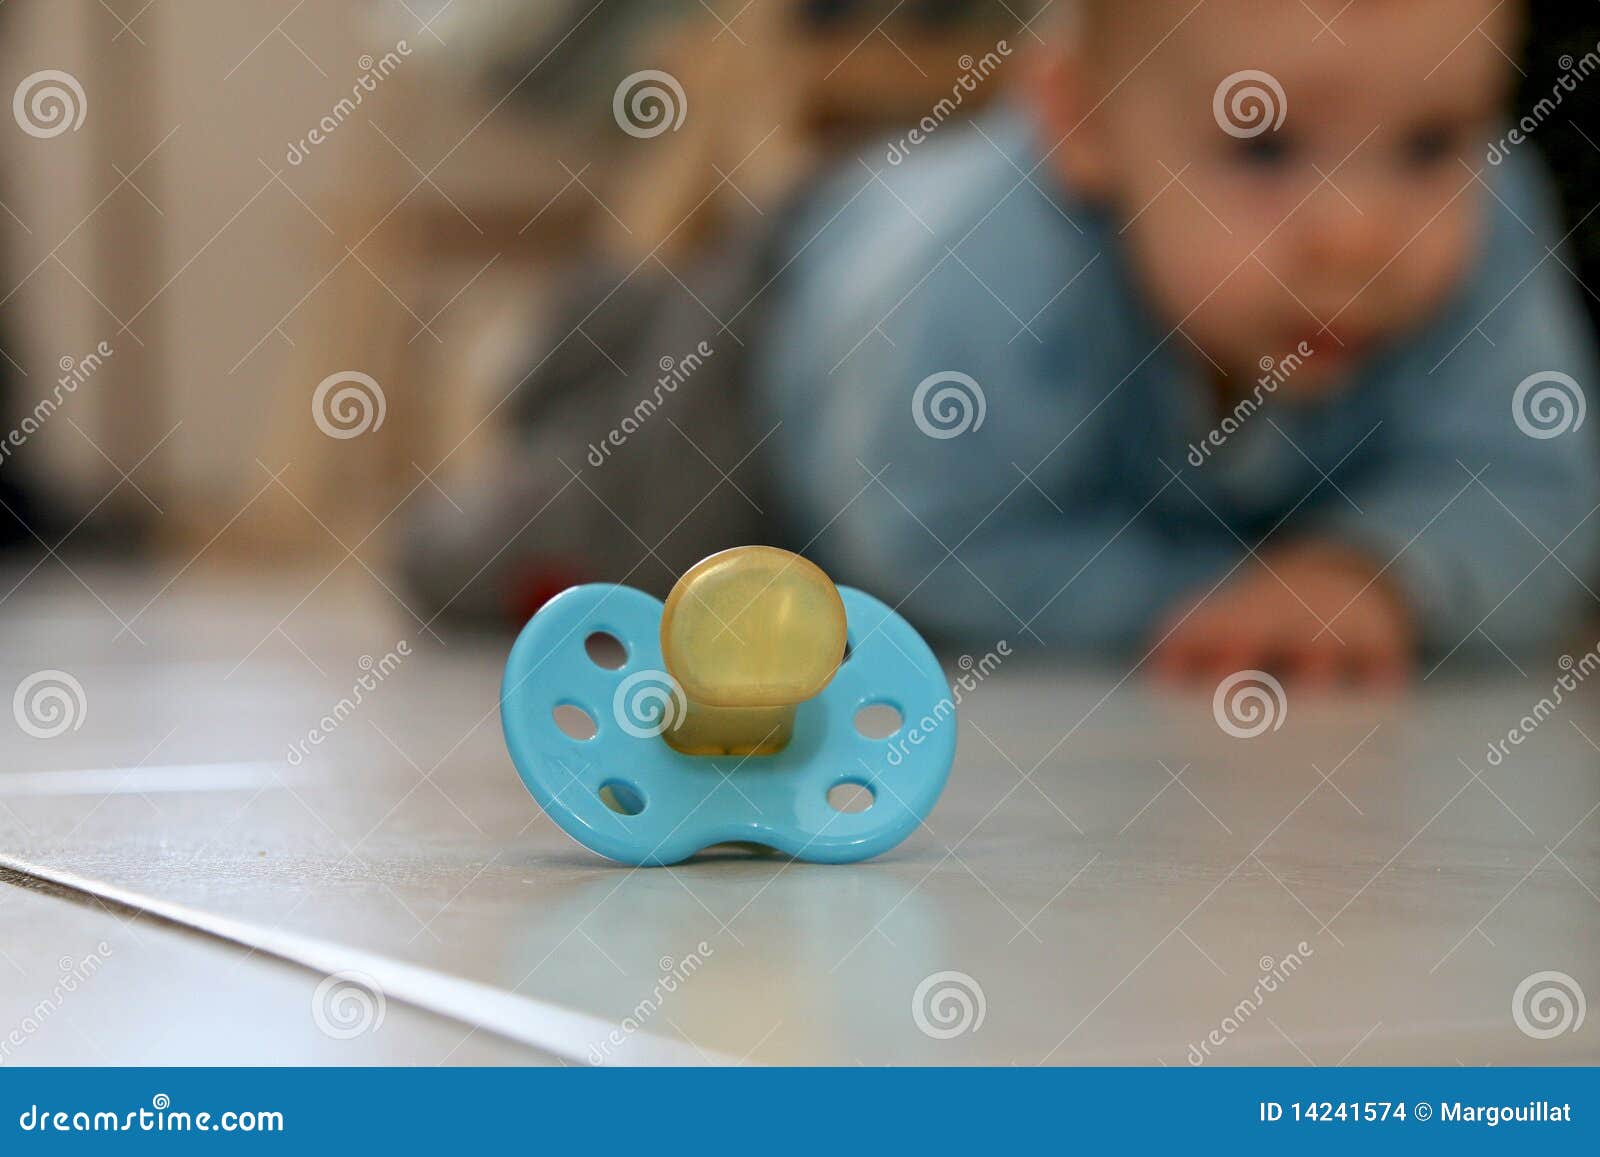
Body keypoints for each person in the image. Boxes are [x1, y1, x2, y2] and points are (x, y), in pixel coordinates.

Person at [757, 0, 1600, 684]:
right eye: (1265, 146)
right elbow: (929, 535)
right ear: (1085, 120)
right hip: (777, 309)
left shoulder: (1485, 219)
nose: (1358, 237)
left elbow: (1541, 494)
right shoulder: (979, 276)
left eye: (1430, 144)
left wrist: (1372, 578)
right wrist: (1220, 600)